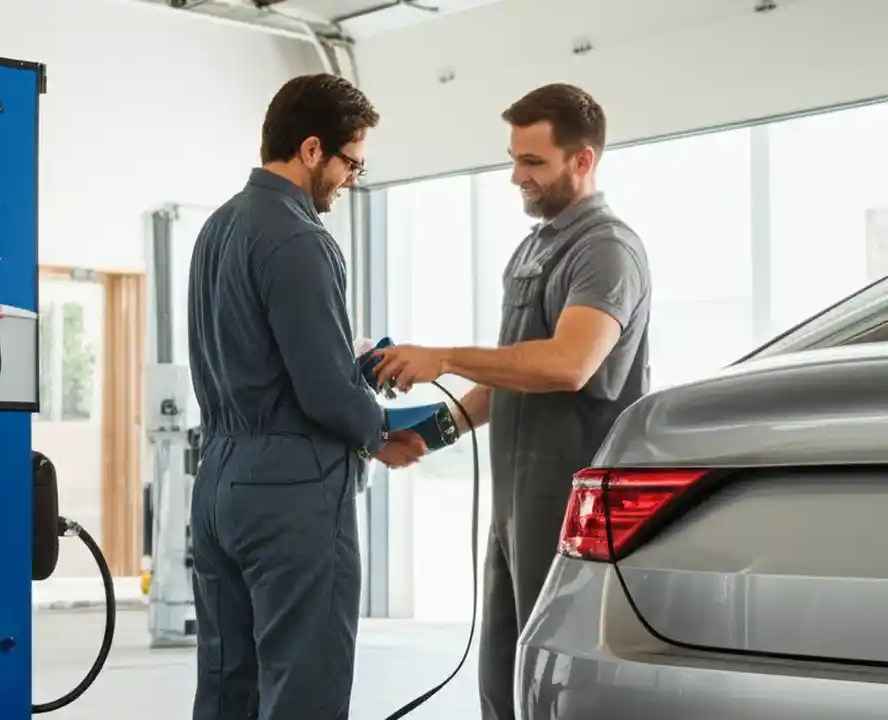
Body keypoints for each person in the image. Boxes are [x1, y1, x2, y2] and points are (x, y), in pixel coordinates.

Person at [369, 83, 652, 719]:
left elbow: (568, 364)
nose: (515, 177)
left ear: (582, 161)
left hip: (572, 509)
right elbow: (510, 375)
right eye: (513, 159)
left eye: (533, 163)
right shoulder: (534, 247)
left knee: (560, 685)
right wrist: (433, 432)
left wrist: (442, 356)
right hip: (512, 505)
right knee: (504, 677)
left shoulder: (606, 251)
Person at [185, 73, 428, 720]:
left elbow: (259, 355)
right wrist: (381, 434)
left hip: (219, 484)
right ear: (313, 149)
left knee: (226, 687)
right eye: (352, 162)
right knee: (304, 689)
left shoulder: (218, 228)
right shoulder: (301, 239)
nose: (351, 179)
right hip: (290, 494)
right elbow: (323, 391)